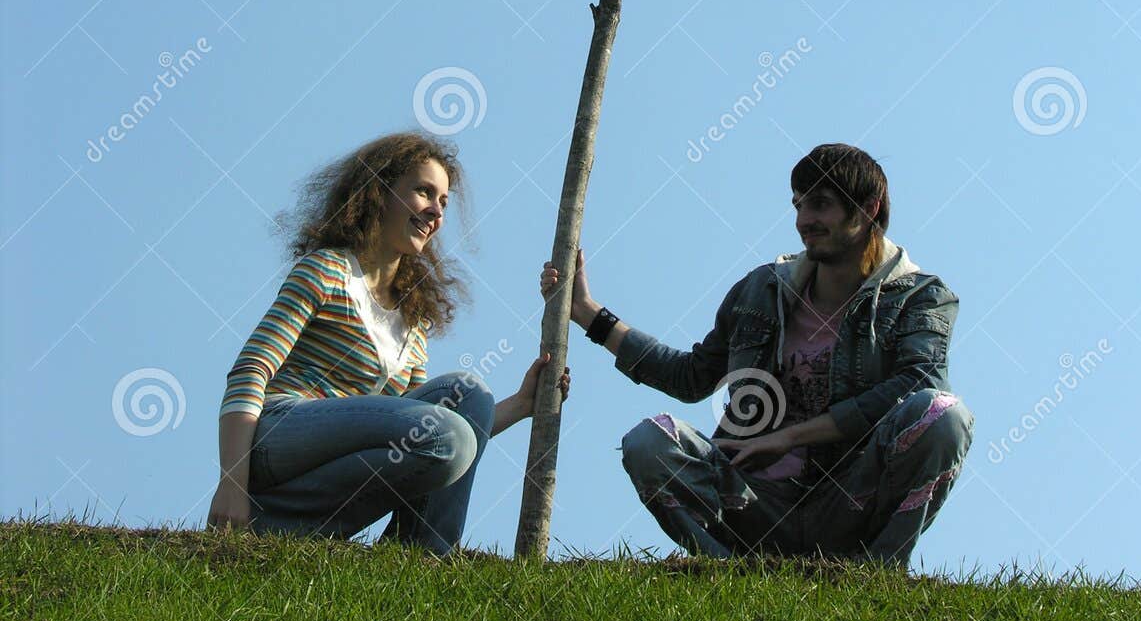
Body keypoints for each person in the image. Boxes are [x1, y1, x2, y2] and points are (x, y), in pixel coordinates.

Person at [541, 143, 971, 568]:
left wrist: (790, 437)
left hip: (850, 502)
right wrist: (589, 314)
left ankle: (874, 577)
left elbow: (919, 382)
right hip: (751, 503)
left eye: (820, 205)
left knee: (942, 415)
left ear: (868, 209)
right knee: (648, 442)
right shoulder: (762, 289)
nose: (804, 220)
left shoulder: (920, 297)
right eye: (798, 205)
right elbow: (690, 376)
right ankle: (728, 576)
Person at [208, 131, 566, 552]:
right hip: (278, 435)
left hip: (337, 458)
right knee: (449, 425)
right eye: (424, 192)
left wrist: (520, 405)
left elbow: (431, 442)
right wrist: (231, 482)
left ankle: (420, 556)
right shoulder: (326, 271)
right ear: (379, 192)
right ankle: (268, 511)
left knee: (468, 397)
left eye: (444, 201)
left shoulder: (413, 324)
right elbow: (250, 370)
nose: (436, 211)